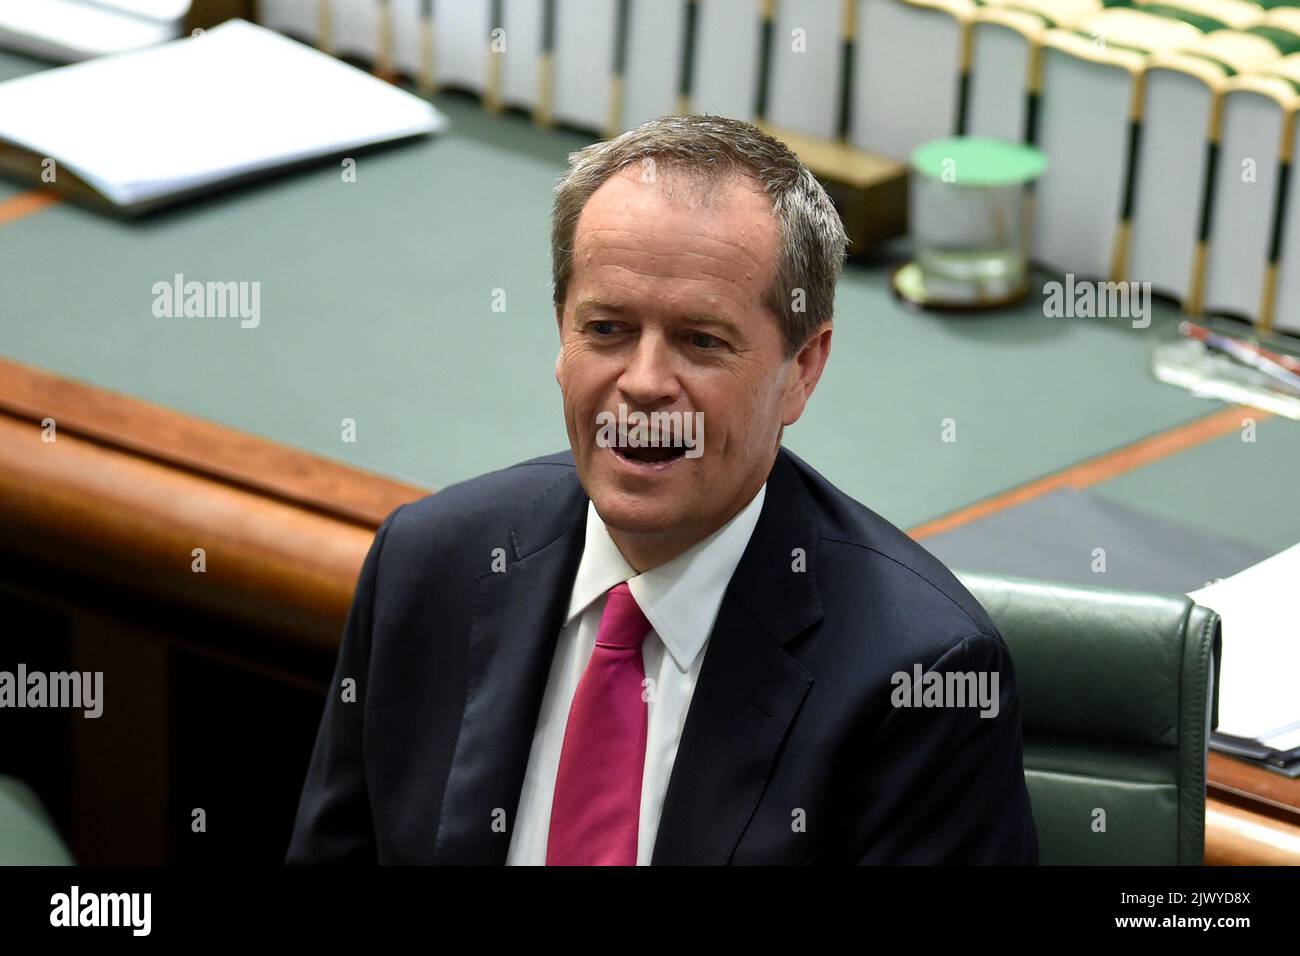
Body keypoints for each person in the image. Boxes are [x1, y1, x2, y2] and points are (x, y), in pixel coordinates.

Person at [286, 115, 1038, 865]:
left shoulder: (920, 677)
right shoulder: (428, 566)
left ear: (803, 368)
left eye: (700, 341)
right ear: (560, 334)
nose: (643, 384)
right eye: (607, 329)